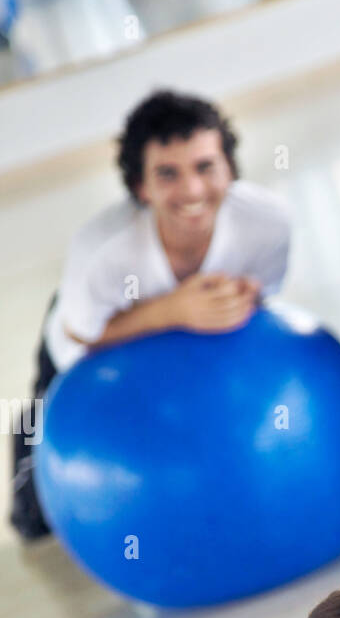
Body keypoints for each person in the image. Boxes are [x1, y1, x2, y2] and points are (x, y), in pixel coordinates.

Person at [9, 89, 291, 542]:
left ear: (229, 168)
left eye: (205, 167)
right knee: (39, 514)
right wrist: (173, 309)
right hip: (89, 341)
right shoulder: (100, 251)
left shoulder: (269, 222)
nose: (193, 190)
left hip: (194, 340)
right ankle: (29, 474)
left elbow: (262, 306)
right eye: (168, 174)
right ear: (141, 186)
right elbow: (80, 336)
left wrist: (234, 300)